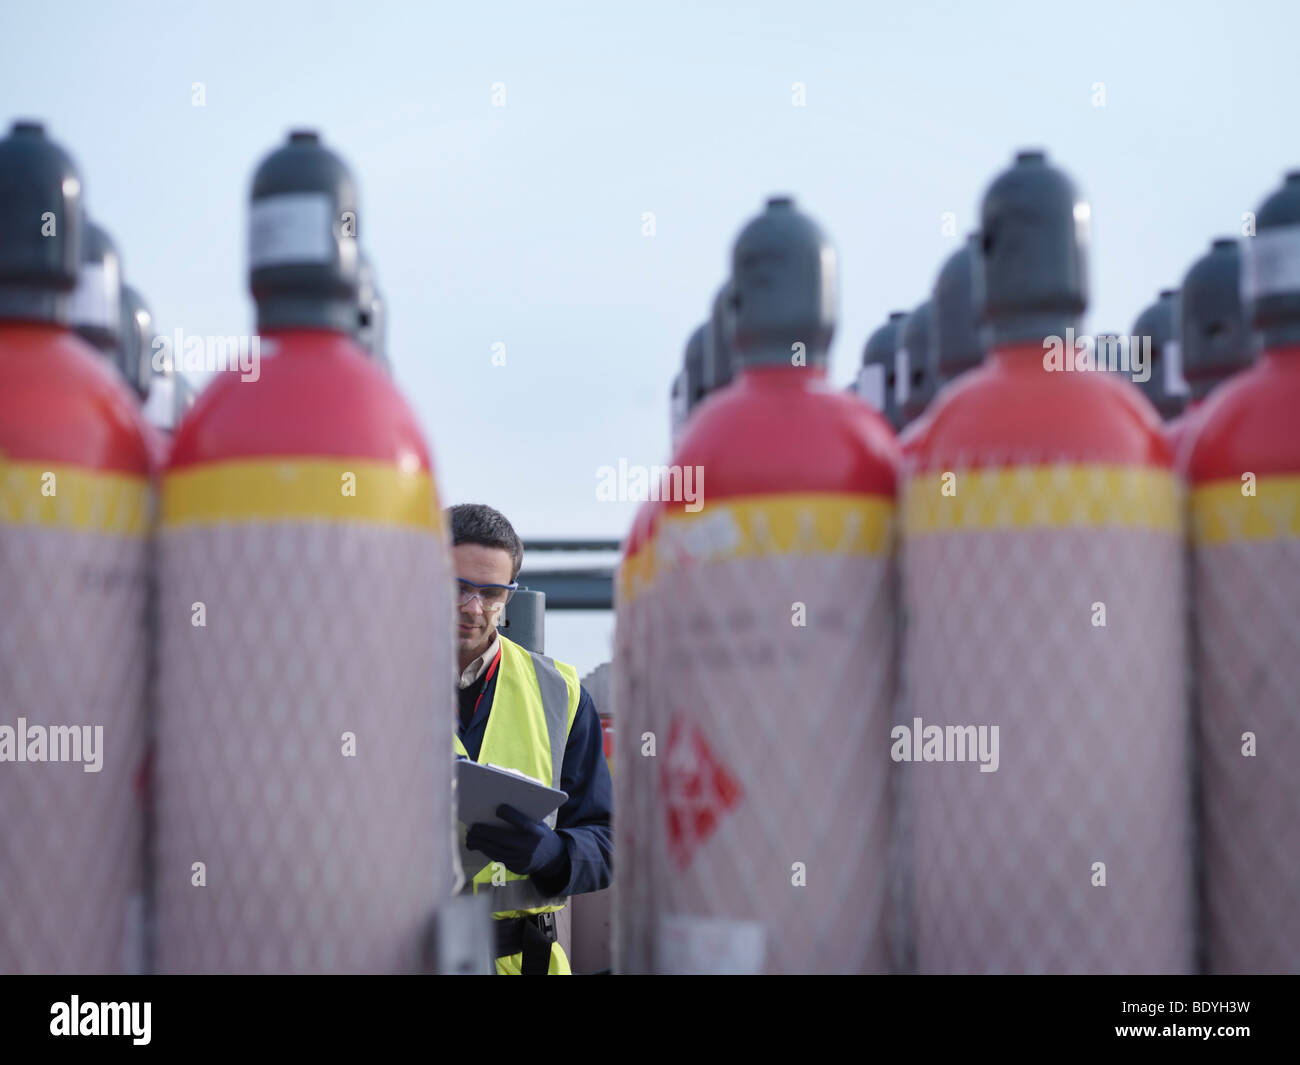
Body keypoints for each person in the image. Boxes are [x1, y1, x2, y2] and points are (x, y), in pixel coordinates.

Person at [448, 503, 613, 975]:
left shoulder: (560, 693)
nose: (473, 608)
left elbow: (606, 839)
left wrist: (556, 855)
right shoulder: (365, 683)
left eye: (492, 592)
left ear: (510, 596)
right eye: (458, 587)